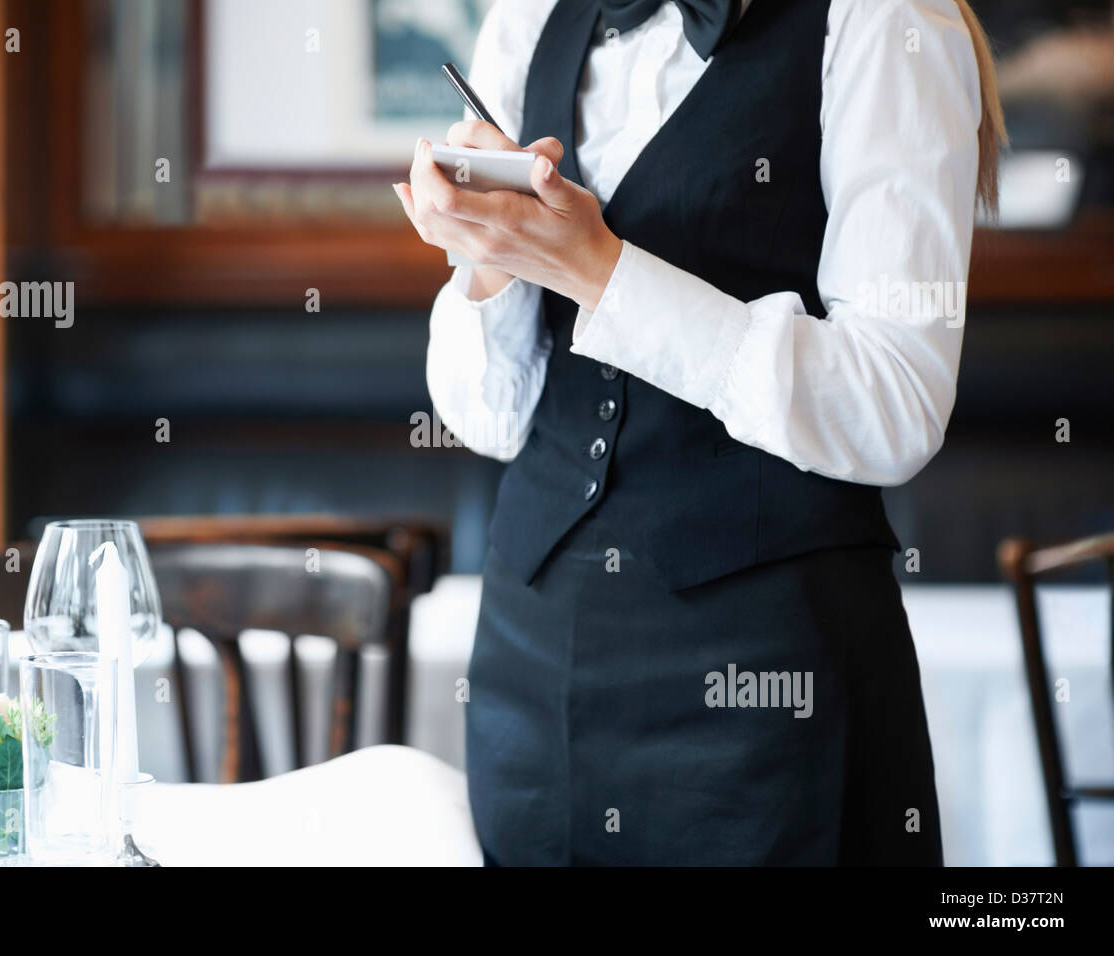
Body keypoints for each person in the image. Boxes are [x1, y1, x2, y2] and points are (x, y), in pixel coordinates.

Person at [394, 0, 1004, 865]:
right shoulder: (529, 18)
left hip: (772, 690)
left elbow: (897, 405)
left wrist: (601, 271)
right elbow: (488, 420)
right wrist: (491, 254)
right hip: (532, 671)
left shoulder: (887, 19)